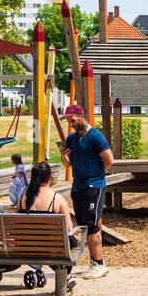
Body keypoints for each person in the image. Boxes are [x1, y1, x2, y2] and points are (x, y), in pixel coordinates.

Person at [61, 103, 114, 279]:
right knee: (84, 224)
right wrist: (63, 154)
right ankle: (94, 262)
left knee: (92, 225)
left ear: (82, 116)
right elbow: (68, 163)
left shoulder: (96, 137)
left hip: (94, 186)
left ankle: (98, 263)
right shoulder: (72, 138)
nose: (71, 123)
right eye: (69, 121)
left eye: (73, 119)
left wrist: (96, 175)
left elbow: (109, 160)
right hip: (78, 186)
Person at [16, 161, 77, 291]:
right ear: (50, 177)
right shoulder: (57, 198)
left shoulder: (23, 198)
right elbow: (69, 228)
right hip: (49, 247)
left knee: (49, 244)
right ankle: (66, 276)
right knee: (71, 241)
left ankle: (66, 277)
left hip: (24, 247)